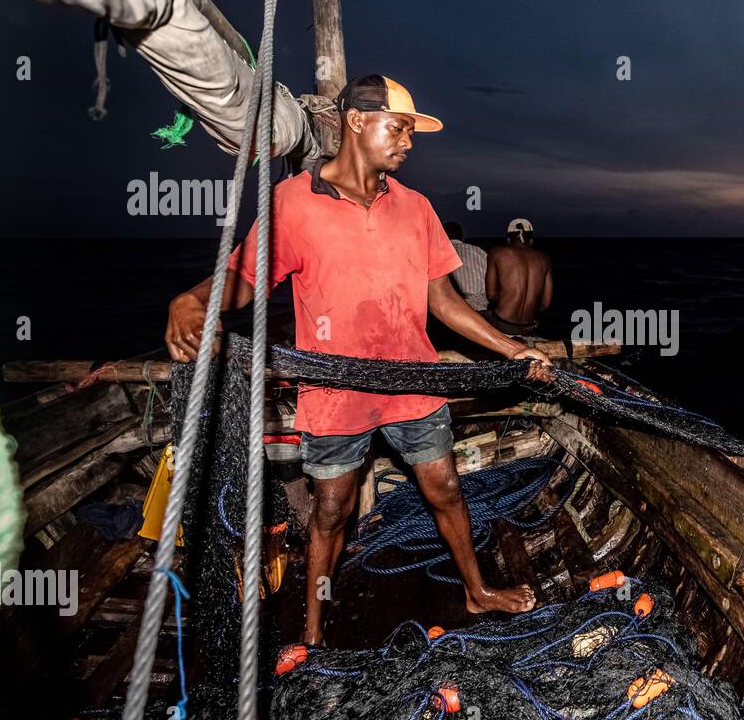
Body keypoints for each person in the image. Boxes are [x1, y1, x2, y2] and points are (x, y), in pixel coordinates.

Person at [164, 74, 554, 645]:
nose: (408, 142)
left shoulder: (416, 208)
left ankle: (477, 589)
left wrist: (512, 347)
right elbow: (242, 280)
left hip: (412, 383)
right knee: (330, 512)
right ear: (355, 122)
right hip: (336, 394)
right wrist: (192, 299)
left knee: (445, 488)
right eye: (398, 127)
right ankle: (315, 628)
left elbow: (443, 301)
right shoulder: (292, 204)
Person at [484, 218, 552, 337]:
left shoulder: (497, 253)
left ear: (508, 238)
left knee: (478, 314)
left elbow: (492, 296)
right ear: (530, 240)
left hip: (503, 323)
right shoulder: (544, 259)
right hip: (528, 326)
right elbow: (545, 304)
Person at [442, 221, 488, 312]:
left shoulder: (438, 254)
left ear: (441, 237)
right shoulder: (478, 251)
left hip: (452, 312)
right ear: (462, 237)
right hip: (482, 310)